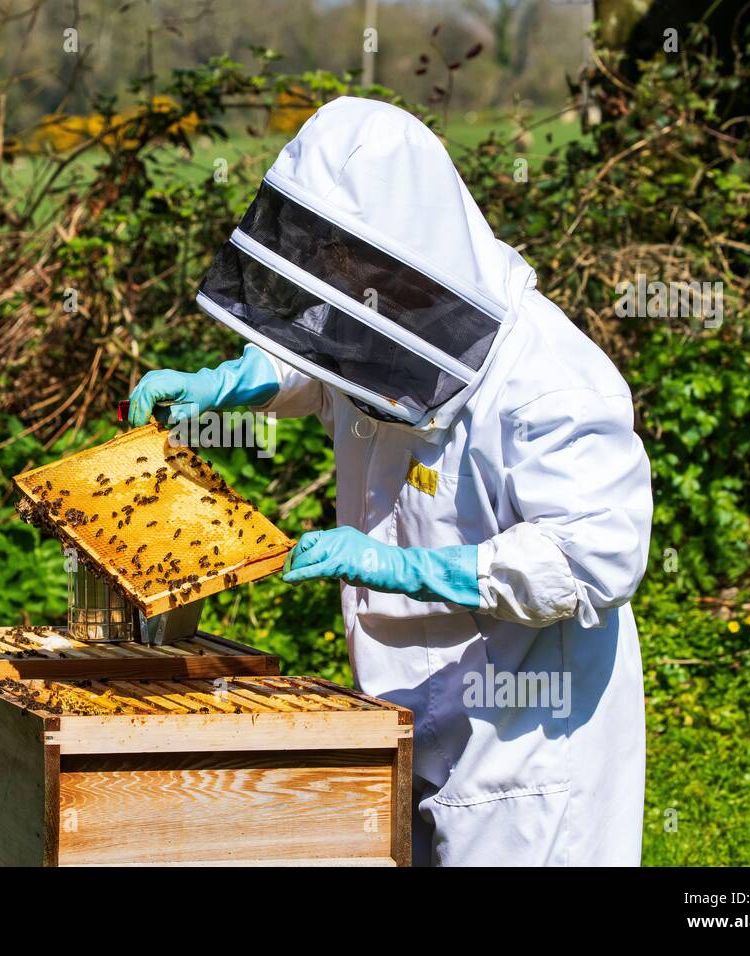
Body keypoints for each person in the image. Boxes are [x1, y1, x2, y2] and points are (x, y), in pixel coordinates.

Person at [128, 97, 652, 866]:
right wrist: (232, 382)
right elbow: (326, 357)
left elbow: (591, 560)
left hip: (527, 731)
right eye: (329, 267)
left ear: (411, 253)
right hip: (400, 692)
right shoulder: (388, 315)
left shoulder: (554, 383)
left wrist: (401, 568)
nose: (343, 288)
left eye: (355, 265)